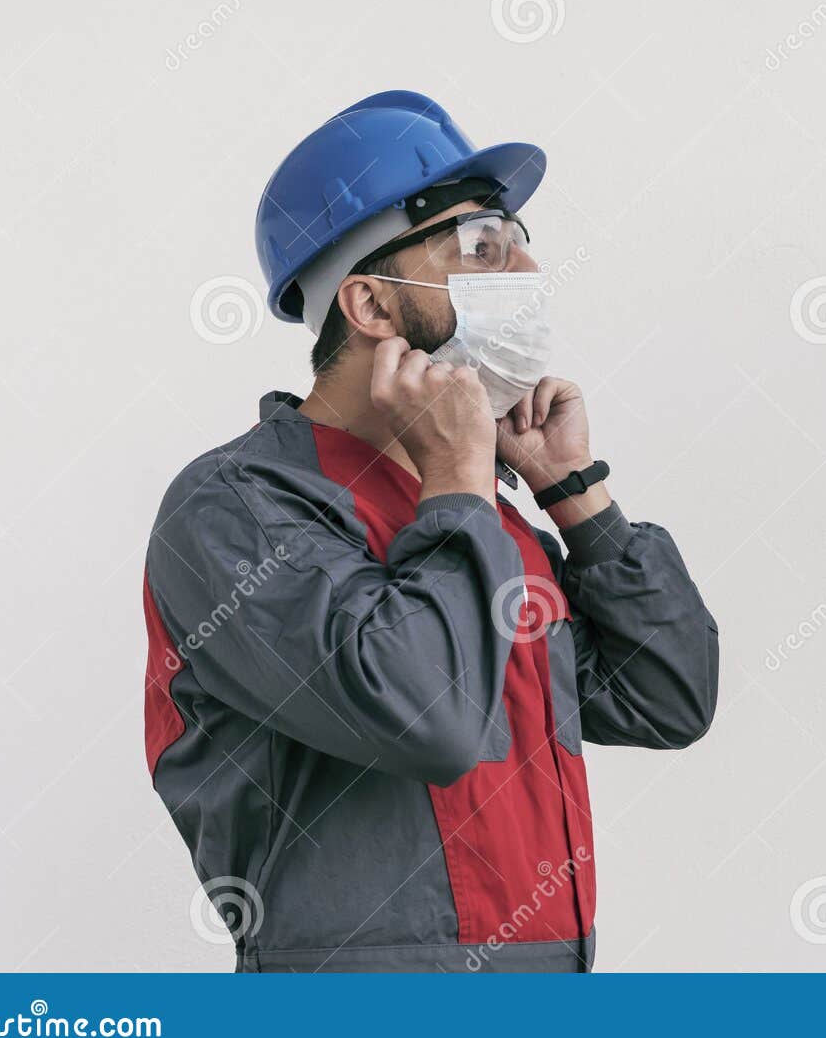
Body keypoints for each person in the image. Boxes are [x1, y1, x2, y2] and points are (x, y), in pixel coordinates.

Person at [141, 91, 719, 972]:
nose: (525, 275)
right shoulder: (236, 508)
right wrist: (457, 483)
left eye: (521, 242)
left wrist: (573, 495)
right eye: (483, 247)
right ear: (371, 306)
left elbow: (666, 699)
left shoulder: (487, 518)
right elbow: (429, 718)